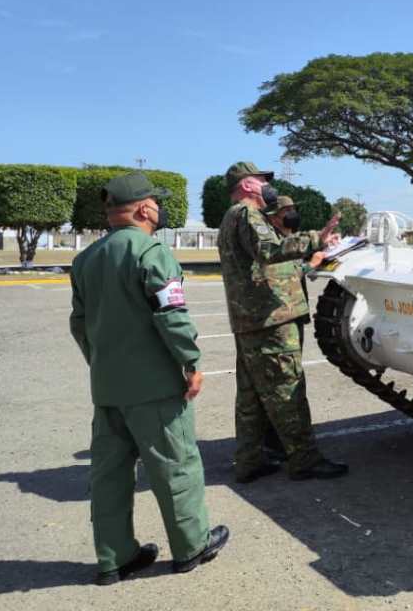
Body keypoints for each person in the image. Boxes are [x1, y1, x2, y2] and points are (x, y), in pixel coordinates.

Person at [69, 171, 228, 585]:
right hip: (154, 387)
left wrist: (101, 363)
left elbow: (79, 323)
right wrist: (191, 363)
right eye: (154, 202)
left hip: (107, 387)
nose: (157, 208)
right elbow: (171, 316)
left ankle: (114, 558)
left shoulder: (86, 258)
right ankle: (191, 546)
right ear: (143, 208)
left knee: (109, 475)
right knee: (175, 465)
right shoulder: (150, 252)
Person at [217, 162, 348, 484]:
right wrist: (316, 239)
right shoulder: (247, 213)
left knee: (251, 397)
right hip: (270, 321)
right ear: (247, 185)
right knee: (287, 389)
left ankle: (251, 459)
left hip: (253, 320)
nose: (267, 185)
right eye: (262, 180)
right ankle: (304, 460)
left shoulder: (235, 216)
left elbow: (266, 266)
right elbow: (269, 250)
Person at [259, 194, 326, 461]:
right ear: (274, 215)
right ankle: (283, 444)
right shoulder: (273, 241)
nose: (292, 213)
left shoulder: (285, 240)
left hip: (289, 315)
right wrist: (312, 264)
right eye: (287, 210)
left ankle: (276, 441)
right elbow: (285, 274)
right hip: (280, 319)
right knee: (284, 382)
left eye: (293, 209)